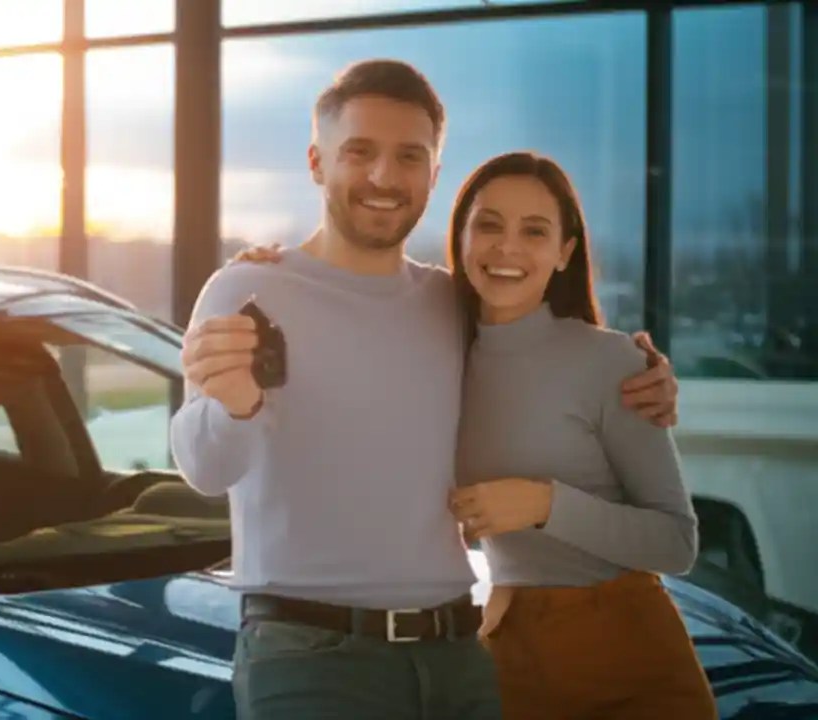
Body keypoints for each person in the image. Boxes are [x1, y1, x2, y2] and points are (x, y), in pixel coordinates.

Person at [170, 59, 678, 719]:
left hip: (457, 656)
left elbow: (546, 359)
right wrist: (239, 405)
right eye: (359, 152)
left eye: (409, 156)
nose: (385, 177)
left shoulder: (452, 303)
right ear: (317, 162)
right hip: (311, 658)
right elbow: (205, 469)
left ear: (434, 175)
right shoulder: (247, 291)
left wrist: (644, 377)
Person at [445, 151, 715, 719]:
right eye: (488, 224)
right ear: (462, 235)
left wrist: (545, 504)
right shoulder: (437, 355)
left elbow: (677, 543)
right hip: (511, 653)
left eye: (535, 231)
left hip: (629, 661)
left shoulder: (611, 361)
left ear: (565, 252)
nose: (507, 248)